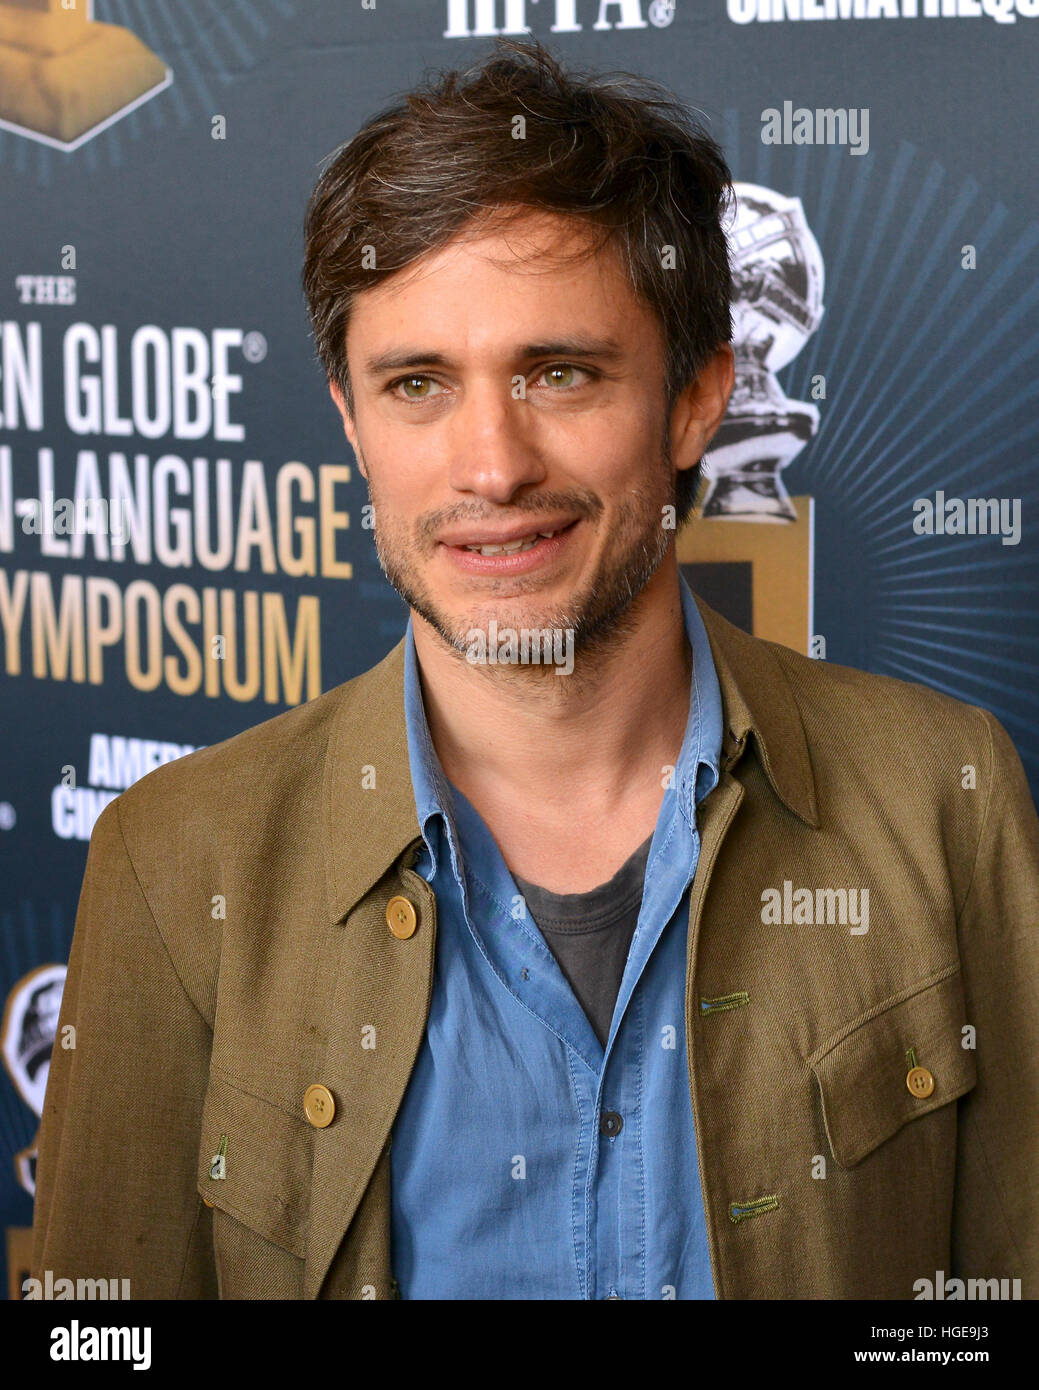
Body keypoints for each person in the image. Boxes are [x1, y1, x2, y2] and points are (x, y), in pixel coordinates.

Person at [31, 37, 1038, 1300]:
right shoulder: (174, 860)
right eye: (417, 384)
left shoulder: (944, 797)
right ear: (350, 421)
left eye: (558, 373)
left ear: (693, 398)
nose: (491, 464)